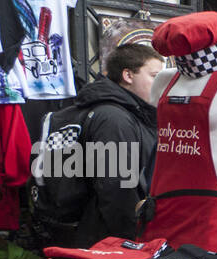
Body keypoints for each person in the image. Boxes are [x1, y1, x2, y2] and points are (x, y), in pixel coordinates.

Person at [66, 44, 164, 246]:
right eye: (155, 76)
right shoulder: (114, 118)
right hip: (106, 240)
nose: (162, 85)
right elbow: (117, 190)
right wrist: (133, 241)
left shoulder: (130, 113)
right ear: (128, 75)